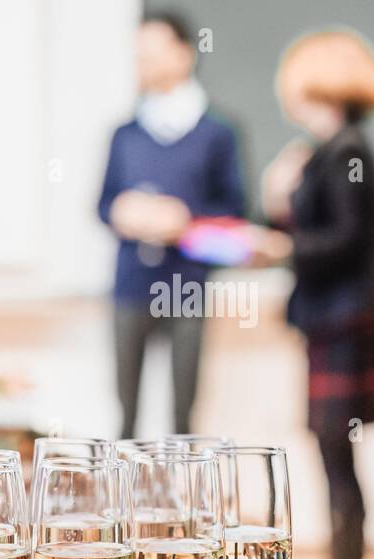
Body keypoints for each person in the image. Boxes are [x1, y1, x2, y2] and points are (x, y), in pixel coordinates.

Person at [255, 30, 374, 559]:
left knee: (338, 456)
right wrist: (278, 205)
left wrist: (280, 246)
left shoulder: (347, 151)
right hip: (337, 320)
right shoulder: (328, 151)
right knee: (335, 456)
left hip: (347, 321)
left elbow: (346, 239)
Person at [98, 12, 246, 438]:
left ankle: (181, 497)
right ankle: (122, 498)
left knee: (184, 416)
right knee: (125, 414)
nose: (143, 62)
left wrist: (184, 222)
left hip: (186, 285)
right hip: (130, 284)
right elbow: (103, 204)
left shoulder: (217, 132)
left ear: (185, 54)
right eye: (138, 54)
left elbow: (236, 212)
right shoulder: (126, 133)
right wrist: (123, 213)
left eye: (154, 52)